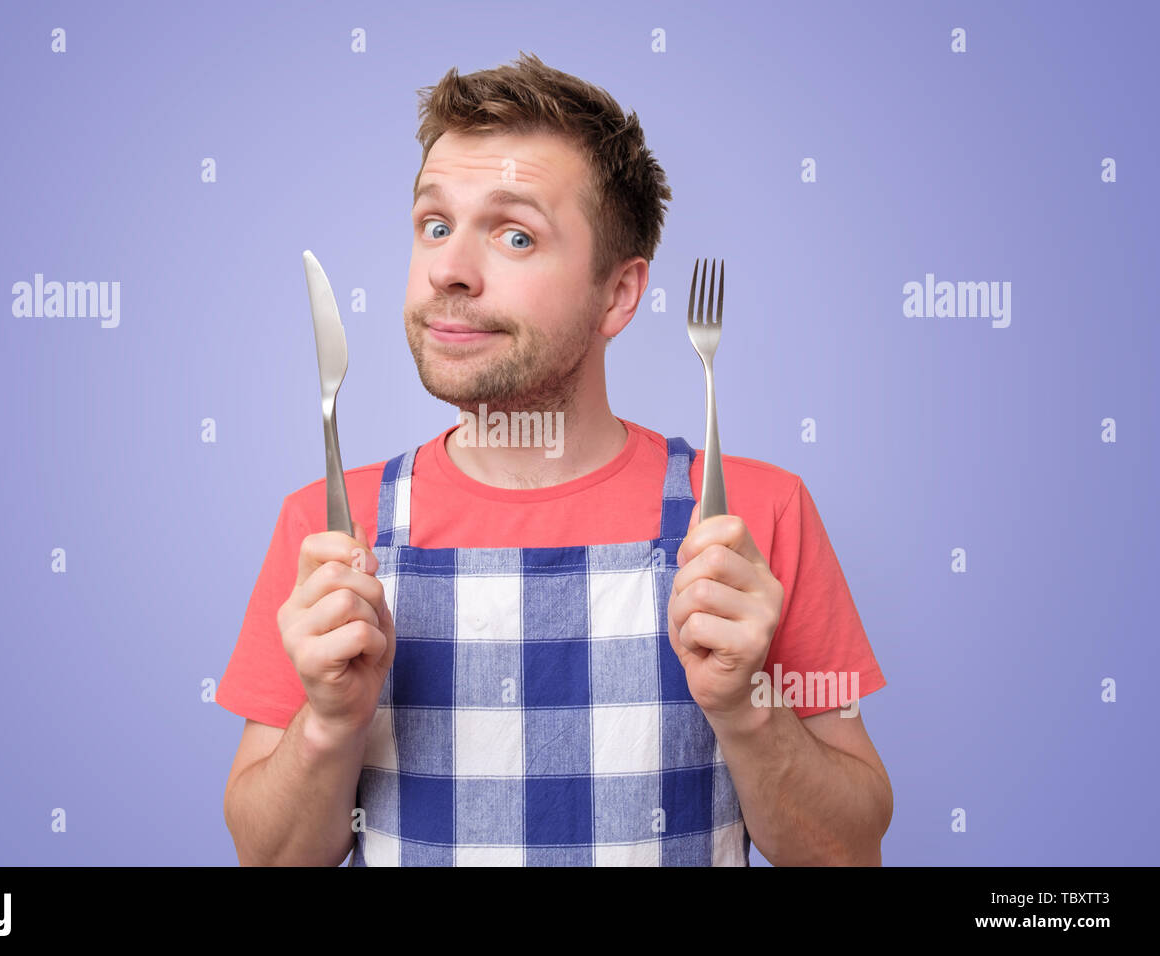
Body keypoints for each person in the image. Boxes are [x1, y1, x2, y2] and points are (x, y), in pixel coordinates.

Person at [218, 52, 891, 866]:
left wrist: (748, 708)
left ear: (618, 294)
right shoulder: (329, 524)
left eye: (514, 234)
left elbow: (848, 851)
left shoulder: (752, 516)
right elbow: (270, 856)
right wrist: (328, 724)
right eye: (435, 225)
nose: (449, 272)